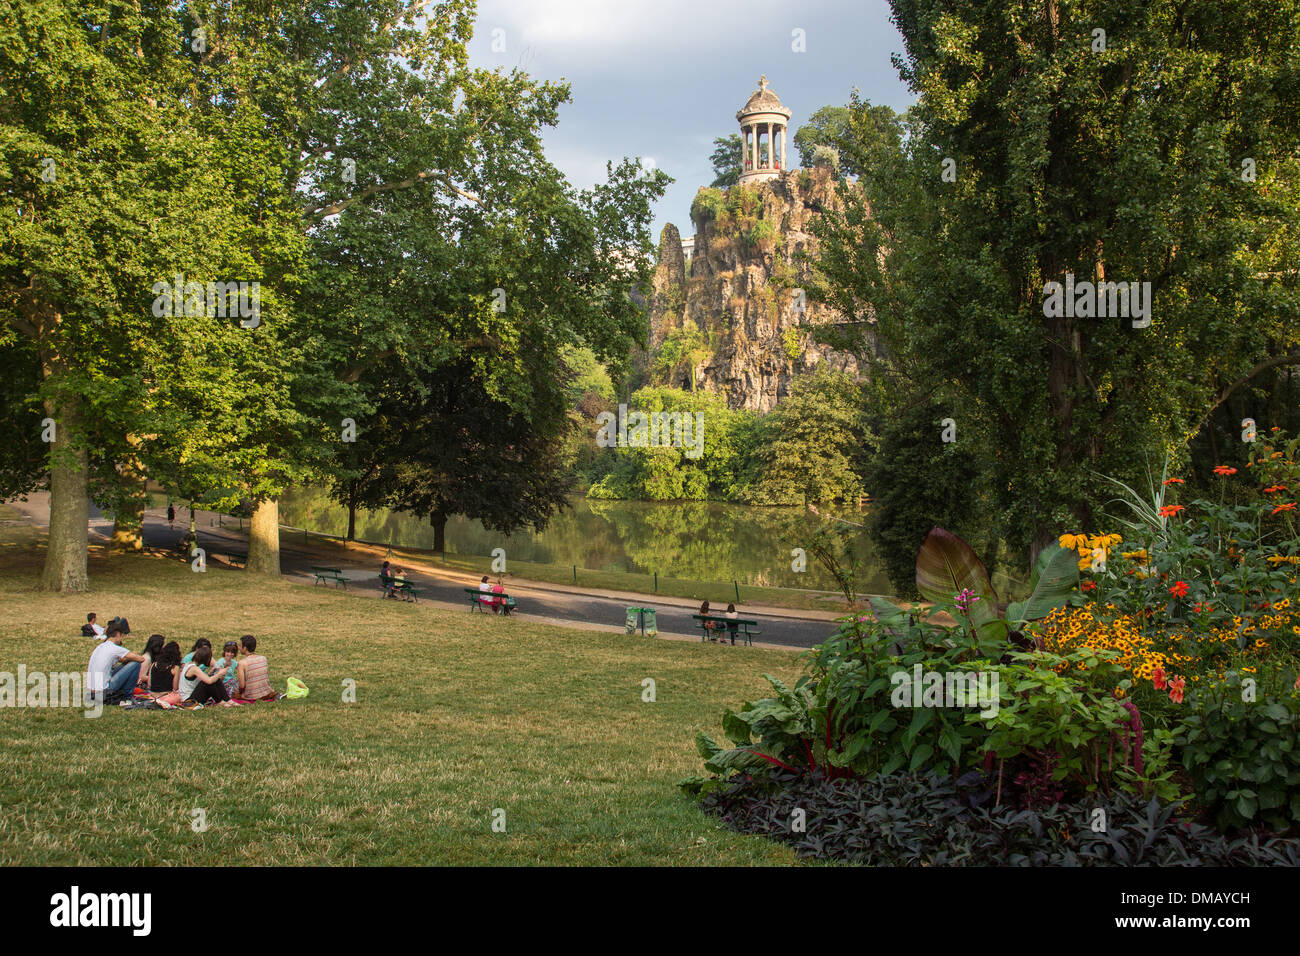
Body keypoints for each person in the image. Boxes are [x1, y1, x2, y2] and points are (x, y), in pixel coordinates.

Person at [86, 622, 147, 704]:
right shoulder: (114, 648)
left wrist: (126, 659)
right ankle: (127, 697)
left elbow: (121, 660)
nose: (121, 639)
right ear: (118, 634)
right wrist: (132, 655)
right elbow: (141, 659)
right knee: (135, 664)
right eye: (121, 636)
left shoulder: (100, 647)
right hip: (104, 691)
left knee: (126, 664)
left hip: (92, 691)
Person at [236, 634, 280, 701]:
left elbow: (242, 686)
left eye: (240, 646)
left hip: (251, 696)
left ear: (244, 648)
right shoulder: (263, 658)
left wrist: (239, 693)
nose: (239, 648)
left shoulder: (242, 663)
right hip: (266, 693)